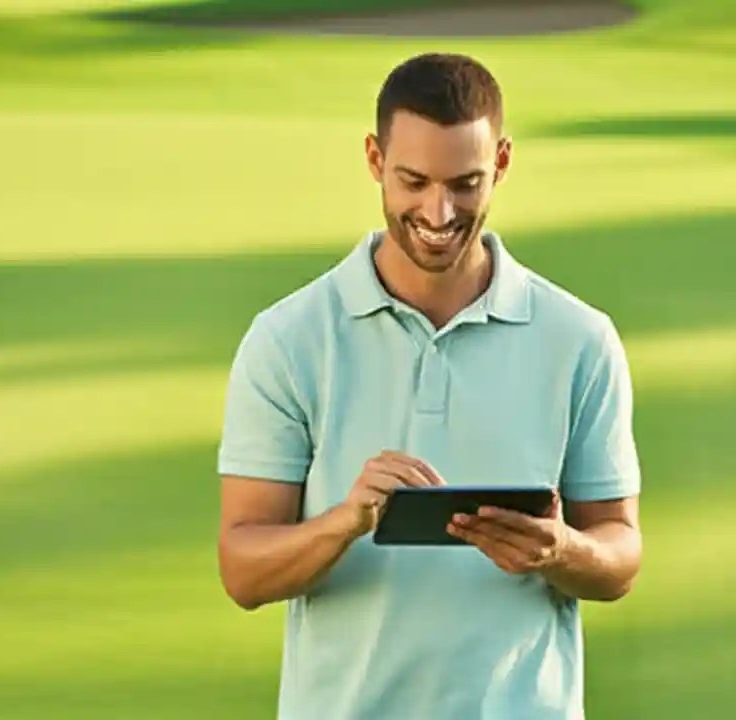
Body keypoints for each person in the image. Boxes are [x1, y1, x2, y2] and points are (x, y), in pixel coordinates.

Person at [216, 52, 642, 720]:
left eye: (465, 183)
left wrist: (561, 549)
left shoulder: (579, 339)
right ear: (373, 159)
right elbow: (242, 570)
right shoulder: (288, 339)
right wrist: (344, 523)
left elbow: (619, 553)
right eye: (413, 181)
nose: (438, 212)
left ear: (501, 163)